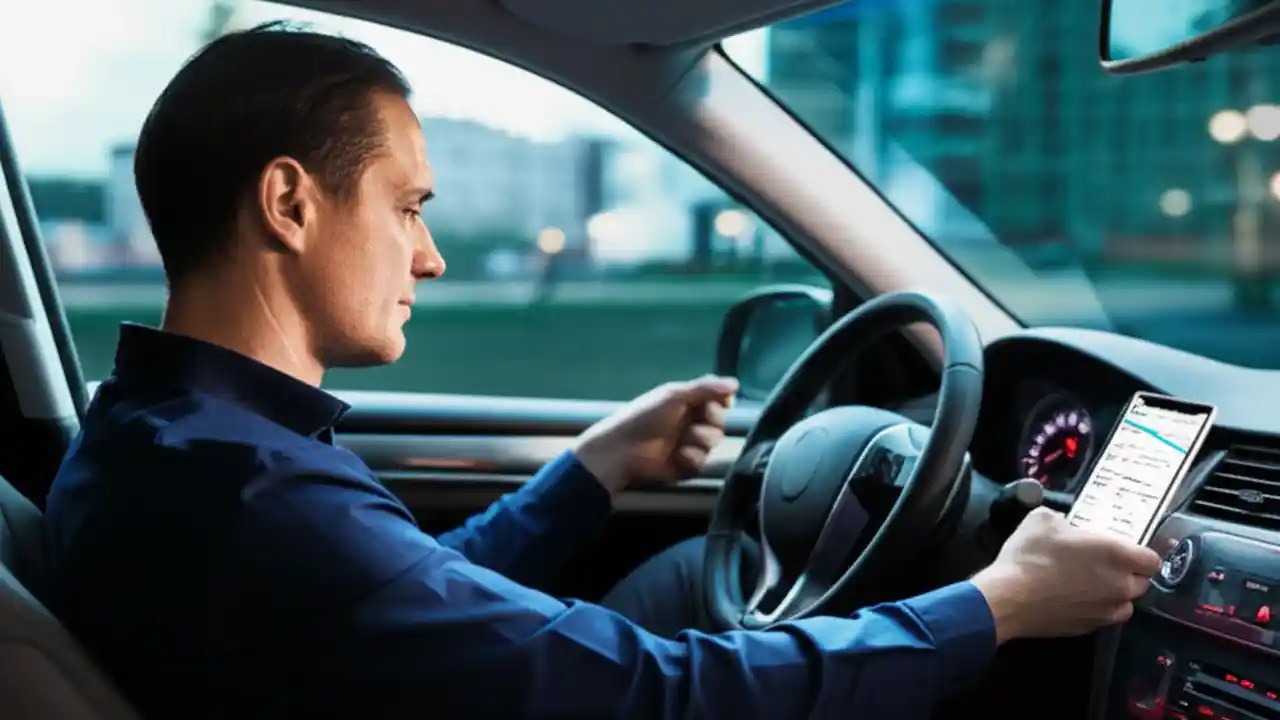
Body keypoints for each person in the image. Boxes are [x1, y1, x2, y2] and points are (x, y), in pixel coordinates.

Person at [44, 22, 1162, 719]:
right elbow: (651, 693)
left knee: (685, 576)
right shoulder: (252, 498)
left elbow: (400, 600)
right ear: (290, 203)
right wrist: (993, 606)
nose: (429, 256)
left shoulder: (160, 440)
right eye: (408, 207)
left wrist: (593, 466)